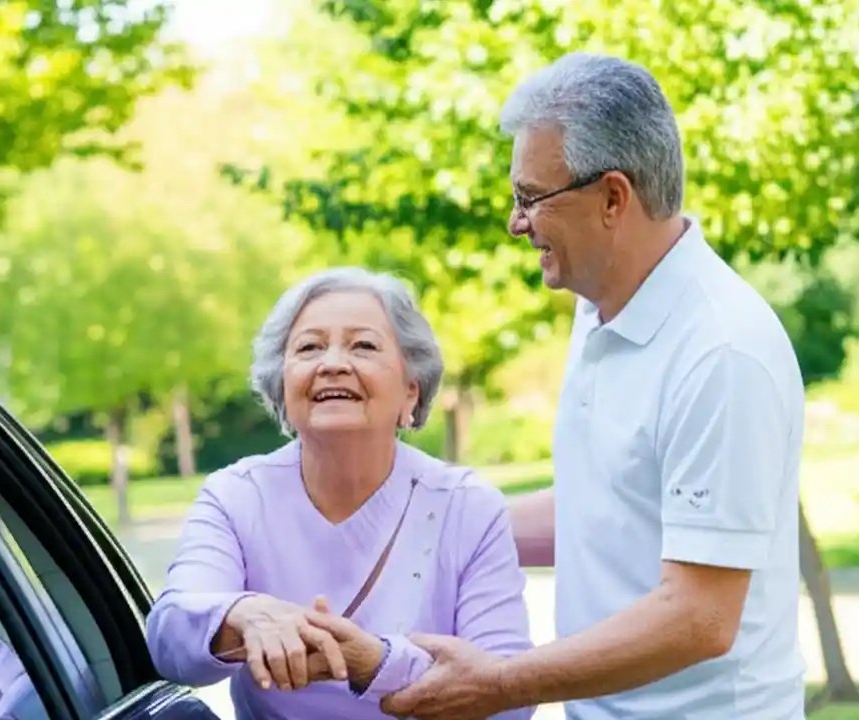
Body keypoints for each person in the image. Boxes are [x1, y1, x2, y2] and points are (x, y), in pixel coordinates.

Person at [380, 52, 807, 719]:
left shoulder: (721, 351)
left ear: (613, 198)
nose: (515, 224)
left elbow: (700, 615)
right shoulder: (602, 305)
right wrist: (397, 526)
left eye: (530, 198)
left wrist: (500, 684)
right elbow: (599, 510)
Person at [145, 267, 535, 719]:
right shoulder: (236, 495)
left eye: (363, 346)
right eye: (309, 347)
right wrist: (243, 614)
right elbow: (170, 637)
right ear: (282, 387)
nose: (332, 363)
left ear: (412, 391)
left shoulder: (467, 505)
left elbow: (509, 699)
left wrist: (375, 662)